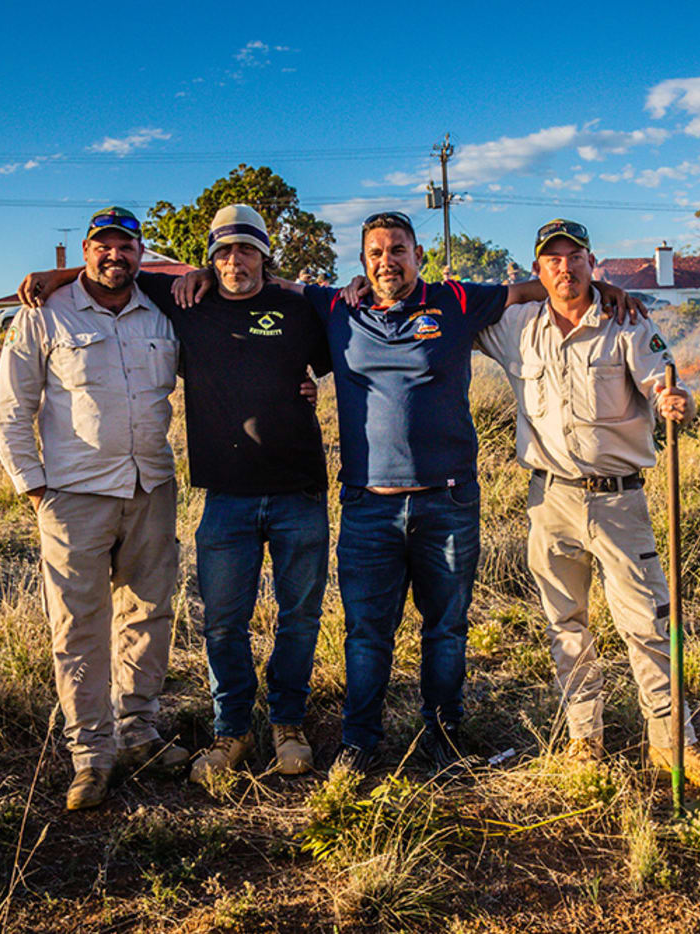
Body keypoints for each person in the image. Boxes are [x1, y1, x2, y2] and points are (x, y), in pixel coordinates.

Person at [178, 211, 643, 776]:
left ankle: (444, 733)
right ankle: (359, 740)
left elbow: (534, 286)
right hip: (368, 504)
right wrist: (196, 273)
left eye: (397, 250)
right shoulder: (336, 306)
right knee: (366, 631)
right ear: (362, 263)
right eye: (375, 252)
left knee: (445, 628)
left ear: (417, 254)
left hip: (446, 502)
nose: (386, 261)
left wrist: (601, 286)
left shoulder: (454, 301)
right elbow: (262, 281)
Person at [17, 205, 332, 786]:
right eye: (223, 251)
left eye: (247, 249)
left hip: (293, 492)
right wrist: (52, 276)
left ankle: (284, 723)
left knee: (292, 616)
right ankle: (223, 730)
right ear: (209, 258)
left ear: (265, 252)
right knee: (218, 624)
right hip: (221, 498)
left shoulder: (293, 307)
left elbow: (344, 321)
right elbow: (110, 274)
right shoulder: (183, 303)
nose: (235, 260)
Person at [473, 219, 700, 787]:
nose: (564, 269)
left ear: (594, 263)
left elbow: (662, 384)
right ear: (538, 271)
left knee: (647, 623)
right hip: (549, 499)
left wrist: (674, 401)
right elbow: (454, 317)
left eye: (574, 258)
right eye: (552, 261)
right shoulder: (514, 326)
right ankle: (582, 740)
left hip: (618, 502)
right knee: (565, 625)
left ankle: (673, 746)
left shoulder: (628, 322)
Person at [0, 207, 189, 810]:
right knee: (78, 626)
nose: (114, 257)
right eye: (102, 247)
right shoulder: (44, 313)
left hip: (150, 486)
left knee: (150, 612)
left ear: (139, 252)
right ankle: (91, 753)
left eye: (125, 247)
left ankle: (138, 730)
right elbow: (9, 409)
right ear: (85, 250)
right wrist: (34, 487)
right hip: (74, 495)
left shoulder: (163, 311)